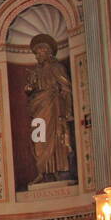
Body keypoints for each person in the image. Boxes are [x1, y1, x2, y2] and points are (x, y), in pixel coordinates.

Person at [24, 33, 74, 183]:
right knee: (38, 139)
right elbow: (30, 89)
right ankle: (43, 171)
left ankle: (59, 171)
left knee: (56, 136)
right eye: (36, 53)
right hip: (38, 109)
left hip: (53, 106)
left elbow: (65, 89)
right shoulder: (36, 72)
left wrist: (67, 111)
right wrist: (29, 88)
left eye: (39, 52)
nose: (37, 56)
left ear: (48, 52)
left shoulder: (56, 68)